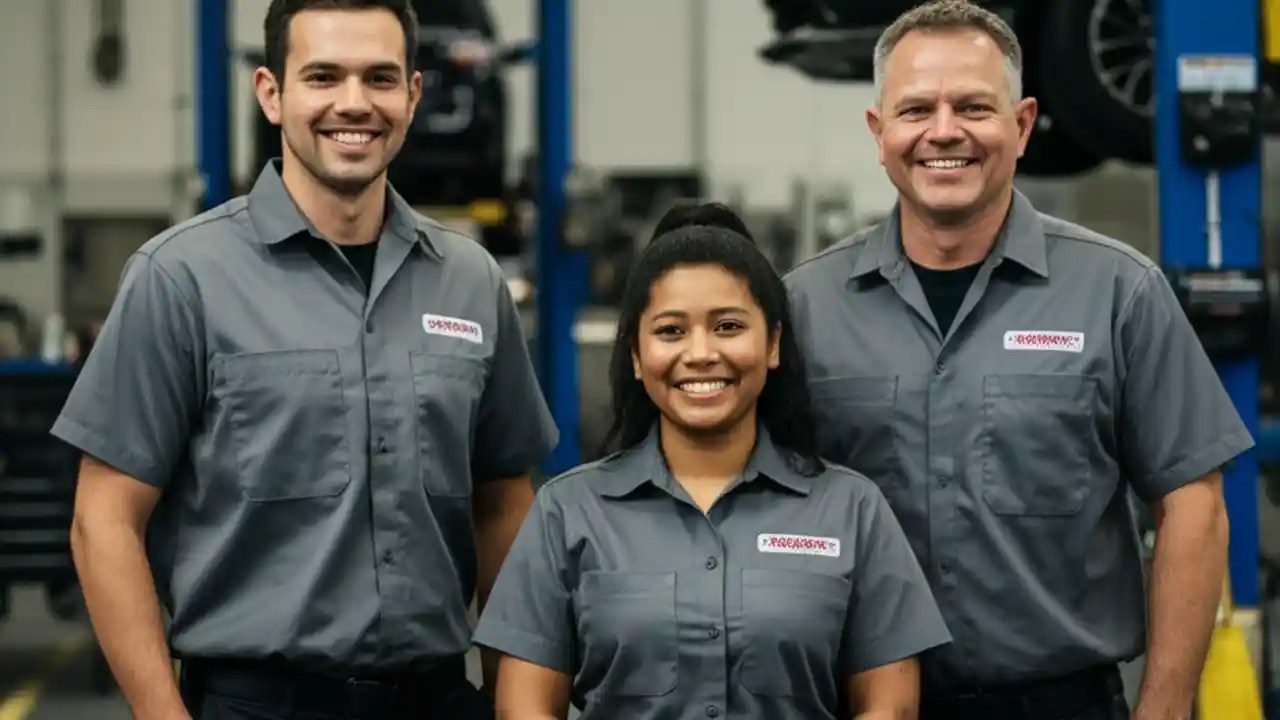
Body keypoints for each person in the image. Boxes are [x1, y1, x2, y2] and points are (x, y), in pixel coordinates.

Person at [50, 1, 557, 718]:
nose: (354, 104)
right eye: (324, 76)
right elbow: (103, 520)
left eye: (380, 78)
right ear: (271, 93)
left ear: (412, 95)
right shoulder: (181, 279)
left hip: (439, 698)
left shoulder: (470, 282)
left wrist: (517, 703)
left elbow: (505, 504)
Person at [783, 2, 1253, 719]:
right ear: (880, 133)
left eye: (974, 106)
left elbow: (1194, 504)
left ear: (1023, 125)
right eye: (916, 110)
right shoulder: (804, 306)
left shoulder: (1119, 292)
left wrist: (1162, 710)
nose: (944, 132)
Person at [471, 203, 952, 720]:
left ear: (772, 344)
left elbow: (890, 706)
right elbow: (524, 706)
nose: (700, 353)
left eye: (727, 326)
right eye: (671, 331)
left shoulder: (852, 509)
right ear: (636, 354)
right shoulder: (566, 513)